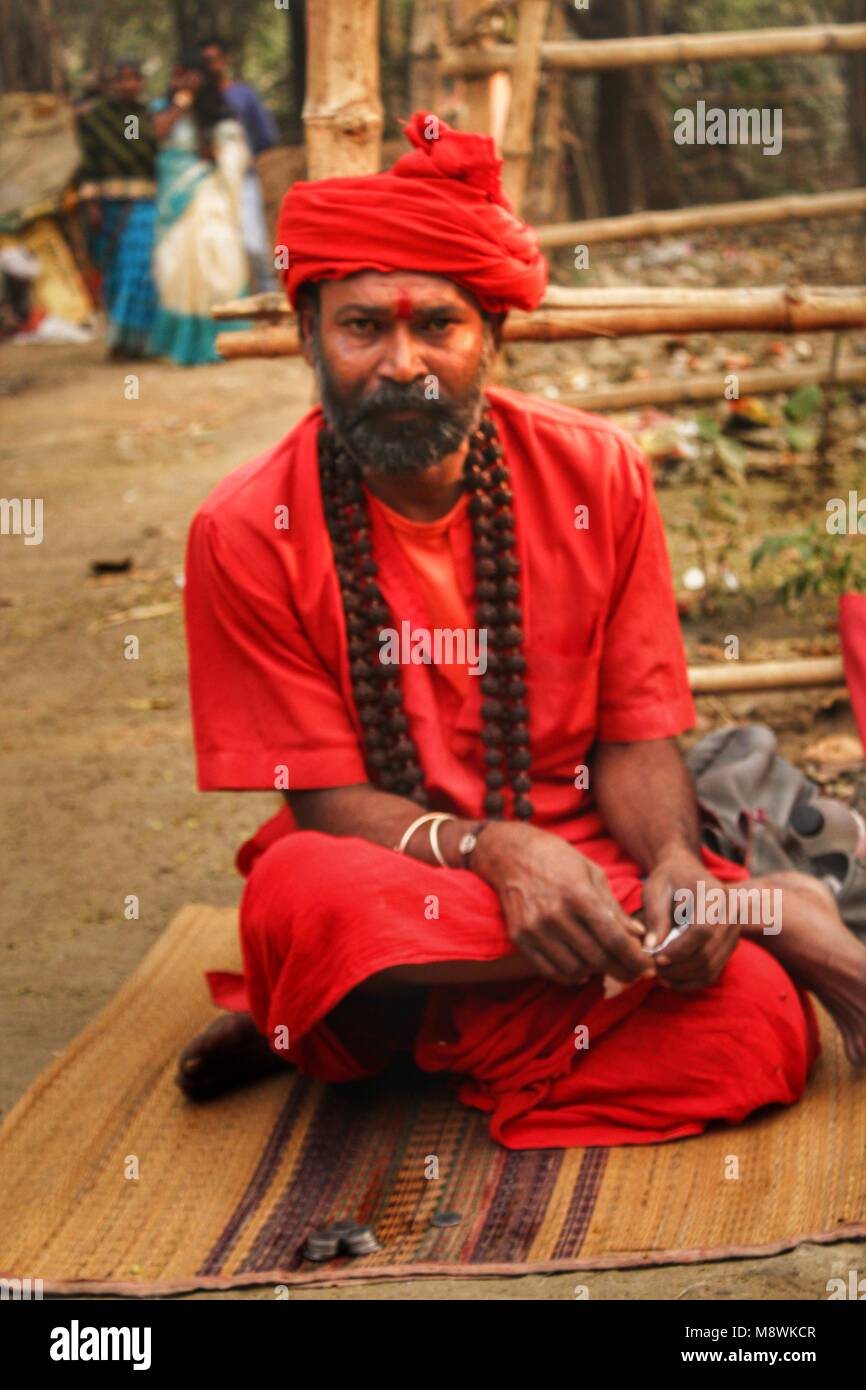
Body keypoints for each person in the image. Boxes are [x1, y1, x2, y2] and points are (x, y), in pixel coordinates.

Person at [178, 113, 866, 1149]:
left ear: (491, 338)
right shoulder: (242, 528)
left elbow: (632, 733)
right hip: (393, 868)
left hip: (589, 863)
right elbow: (319, 798)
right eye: (362, 326)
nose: (401, 362)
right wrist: (493, 850)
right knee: (305, 904)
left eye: (437, 327)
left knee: (756, 1033)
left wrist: (676, 858)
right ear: (307, 335)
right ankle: (772, 913)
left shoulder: (599, 474)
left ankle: (379, 1024)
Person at [148, 55, 249, 366]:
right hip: (174, 195)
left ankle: (221, 337)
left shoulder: (218, 114)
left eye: (187, 77)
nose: (180, 82)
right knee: (175, 262)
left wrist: (220, 154)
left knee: (214, 255)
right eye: (176, 76)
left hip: (207, 190)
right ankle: (184, 342)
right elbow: (156, 133)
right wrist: (182, 100)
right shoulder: (160, 110)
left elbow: (233, 153)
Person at [75, 59, 158, 358]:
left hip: (145, 203)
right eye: (122, 79)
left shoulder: (149, 116)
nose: (128, 84)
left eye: (134, 78)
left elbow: (153, 157)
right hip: (107, 205)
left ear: (142, 82)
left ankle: (138, 341)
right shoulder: (95, 119)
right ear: (112, 84)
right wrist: (92, 203)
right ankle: (120, 341)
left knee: (141, 267)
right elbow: (86, 163)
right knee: (114, 270)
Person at [200, 34, 279, 294]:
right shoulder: (195, 98)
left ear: (225, 60)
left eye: (214, 59)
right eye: (204, 61)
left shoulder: (243, 94)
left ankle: (269, 296)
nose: (210, 66)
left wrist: (241, 157)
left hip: (243, 179)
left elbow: (266, 135)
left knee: (254, 243)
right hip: (207, 183)